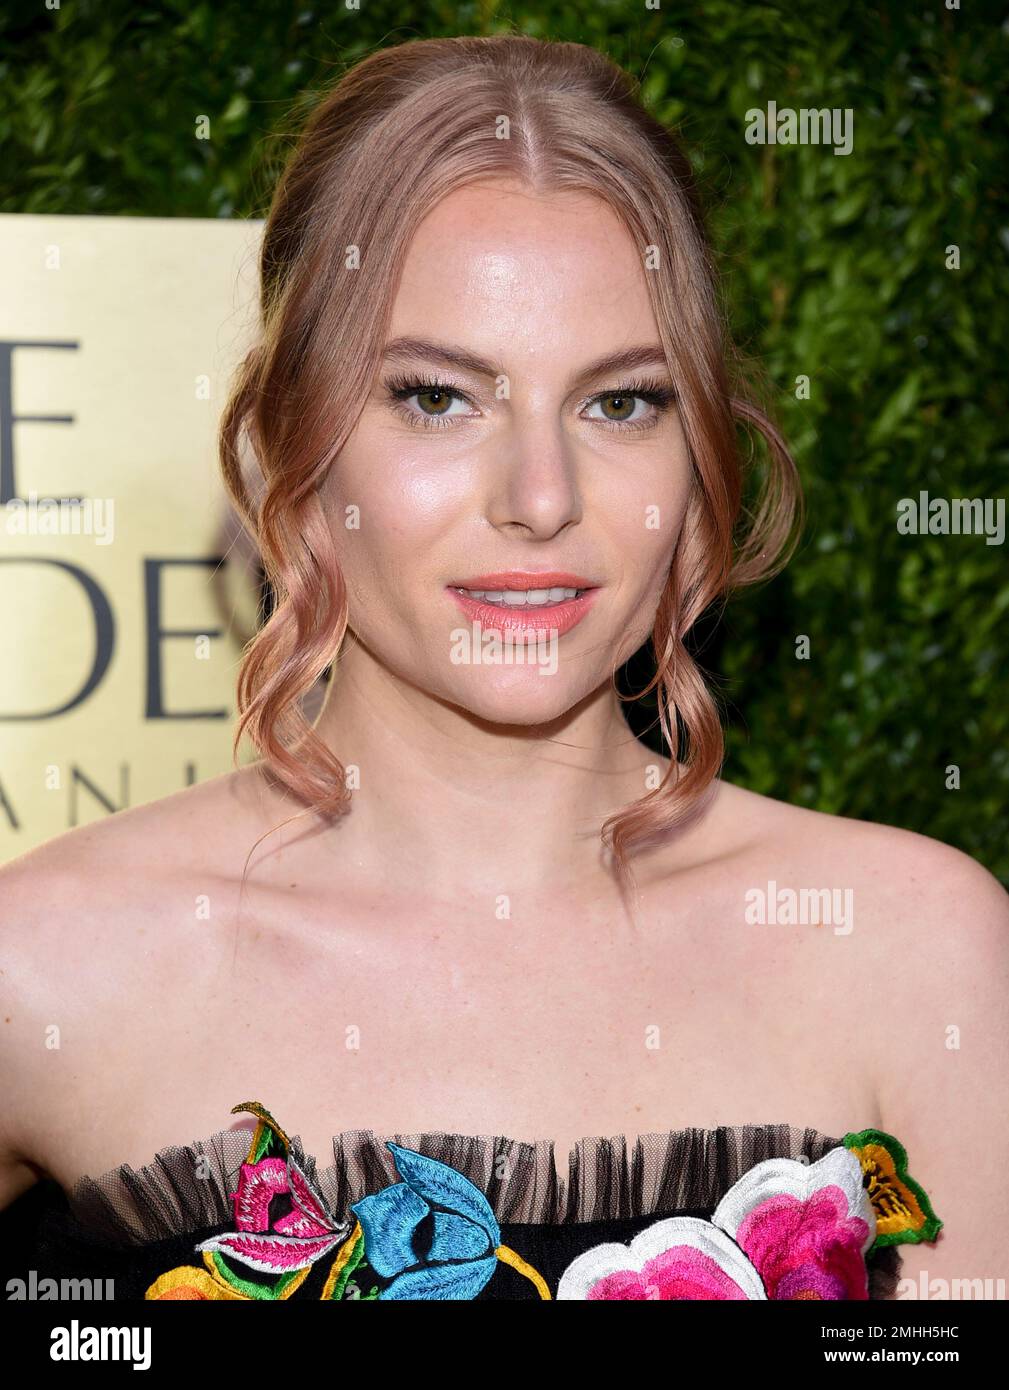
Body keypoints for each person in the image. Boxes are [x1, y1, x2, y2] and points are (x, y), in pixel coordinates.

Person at [1, 33, 1005, 1303]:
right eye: (435, 397)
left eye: (621, 401)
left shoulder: (914, 952)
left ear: (702, 460)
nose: (541, 498)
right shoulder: (41, 966)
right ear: (288, 449)